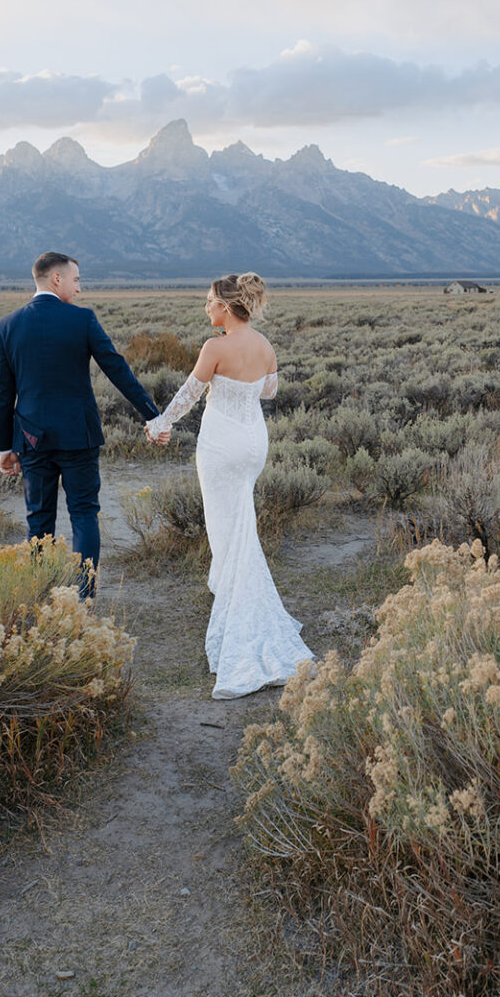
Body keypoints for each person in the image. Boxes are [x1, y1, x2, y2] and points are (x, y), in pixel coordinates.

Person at [146, 272, 313, 699]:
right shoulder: (265, 346)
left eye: (209, 301)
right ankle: (249, 607)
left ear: (225, 306)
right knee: (242, 528)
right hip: (253, 443)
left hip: (221, 447)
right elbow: (269, 391)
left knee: (227, 533)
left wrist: (160, 424)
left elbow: (189, 394)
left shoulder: (214, 347)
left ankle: (243, 624)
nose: (206, 308)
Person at [0, 251, 159, 599]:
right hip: (78, 435)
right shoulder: (82, 320)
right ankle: (84, 595)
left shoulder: (7, 325)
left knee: (38, 518)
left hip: (31, 437)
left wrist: (5, 446)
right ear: (57, 279)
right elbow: (116, 368)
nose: (79, 289)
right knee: (84, 513)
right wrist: (151, 414)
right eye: (76, 280)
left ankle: (40, 594)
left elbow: (1, 392)